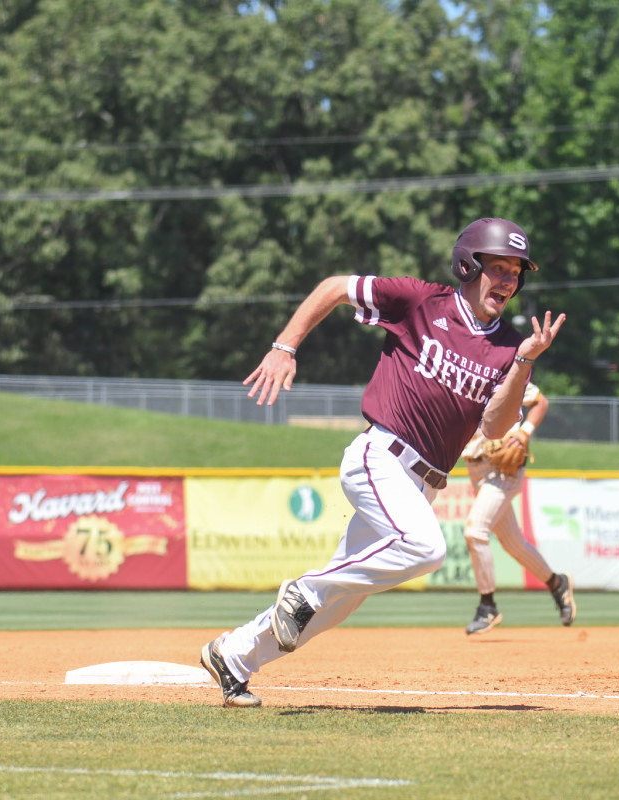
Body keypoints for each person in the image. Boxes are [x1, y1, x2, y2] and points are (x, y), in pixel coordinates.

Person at [200, 218, 565, 707]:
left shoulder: (508, 346)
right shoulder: (421, 301)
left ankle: (234, 656)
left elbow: (496, 428)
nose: (508, 280)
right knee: (425, 548)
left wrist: (524, 361)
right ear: (467, 265)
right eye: (497, 267)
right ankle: (306, 589)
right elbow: (334, 288)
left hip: (425, 485)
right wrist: (284, 347)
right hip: (381, 457)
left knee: (337, 607)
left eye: (516, 272)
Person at [459, 381, 575, 634]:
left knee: (474, 531)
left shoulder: (506, 374)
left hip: (503, 468)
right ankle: (557, 583)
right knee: (513, 543)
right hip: (476, 468)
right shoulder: (463, 372)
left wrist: (524, 432)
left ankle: (487, 606)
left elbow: (540, 402)